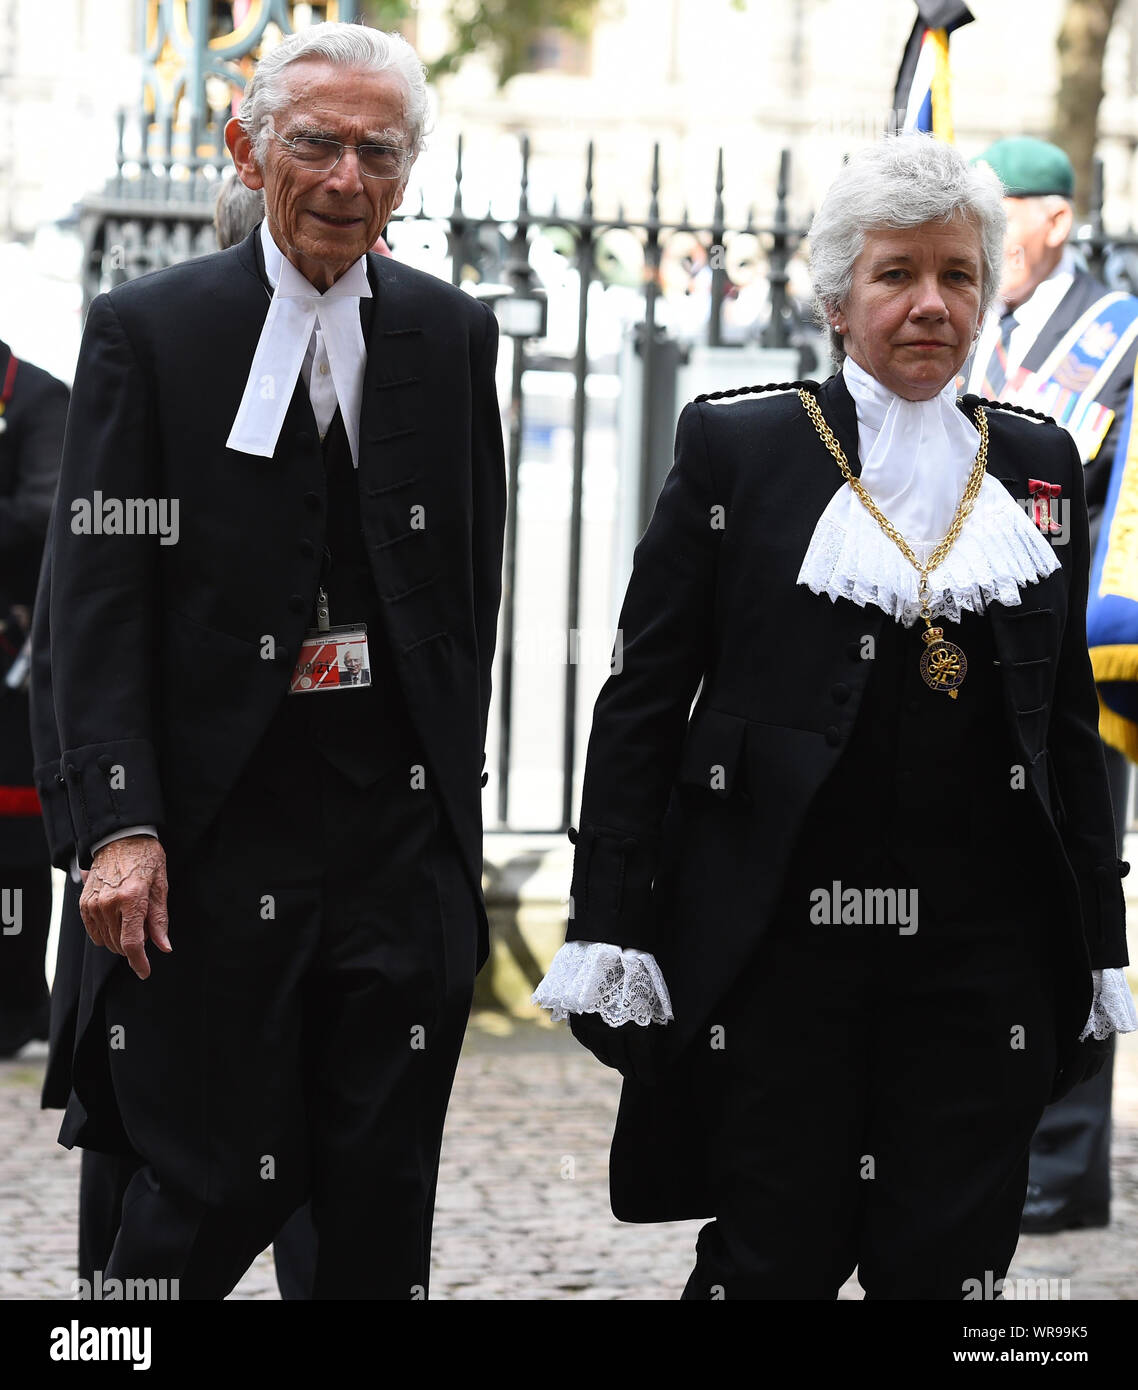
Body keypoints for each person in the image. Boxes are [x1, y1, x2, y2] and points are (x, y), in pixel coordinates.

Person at [534, 134, 1136, 1300]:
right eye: (895, 274)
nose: (929, 304)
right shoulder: (738, 447)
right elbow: (643, 698)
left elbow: (1061, 727)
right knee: (772, 1260)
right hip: (780, 953)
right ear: (834, 298)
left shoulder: (1036, 458)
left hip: (980, 959)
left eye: (957, 275)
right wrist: (608, 921)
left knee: (952, 1269)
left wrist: (1096, 942)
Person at [46, 20, 505, 1299]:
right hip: (204, 843)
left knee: (374, 1198)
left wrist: (449, 843)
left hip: (392, 847)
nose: (348, 178)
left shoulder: (453, 335)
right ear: (248, 150)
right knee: (194, 1186)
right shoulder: (147, 330)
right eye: (316, 144)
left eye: (379, 151)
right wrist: (119, 825)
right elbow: (95, 603)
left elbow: (468, 596)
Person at [33, 164, 317, 1299]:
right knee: (150, 1181)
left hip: (330, 859)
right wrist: (110, 831)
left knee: (325, 1172)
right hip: (164, 855)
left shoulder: (385, 378)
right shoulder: (154, 365)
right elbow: (81, 625)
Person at [966, 135, 1138, 1234]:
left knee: (1074, 900)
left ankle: (1065, 1166)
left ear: (1054, 220)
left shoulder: (1118, 336)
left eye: (998, 213)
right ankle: (982, 1136)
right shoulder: (972, 321)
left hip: (1074, 663)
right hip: (967, 652)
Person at [0, 337, 68, 1057]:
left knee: (15, 841)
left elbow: (41, 511)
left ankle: (20, 1006)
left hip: (13, 664)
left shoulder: (39, 398)